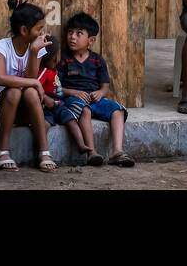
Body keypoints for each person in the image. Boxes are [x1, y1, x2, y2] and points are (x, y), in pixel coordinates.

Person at [55, 12, 134, 167]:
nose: (72, 37)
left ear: (90, 40)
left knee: (117, 111)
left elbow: (105, 86)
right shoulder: (63, 59)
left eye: (79, 34)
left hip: (95, 99)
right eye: (70, 32)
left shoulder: (97, 60)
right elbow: (55, 87)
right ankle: (92, 152)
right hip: (74, 100)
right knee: (85, 111)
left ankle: (117, 151)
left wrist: (100, 93)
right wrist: (73, 92)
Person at [0, 0, 56, 172]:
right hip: (1, 109)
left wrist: (33, 52)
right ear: (24, 30)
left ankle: (44, 151)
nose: (42, 34)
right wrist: (34, 82)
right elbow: (1, 78)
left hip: (24, 112)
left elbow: (31, 81)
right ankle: (2, 151)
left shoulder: (37, 48)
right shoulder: (2, 47)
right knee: (14, 92)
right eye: (39, 29)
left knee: (31, 93)